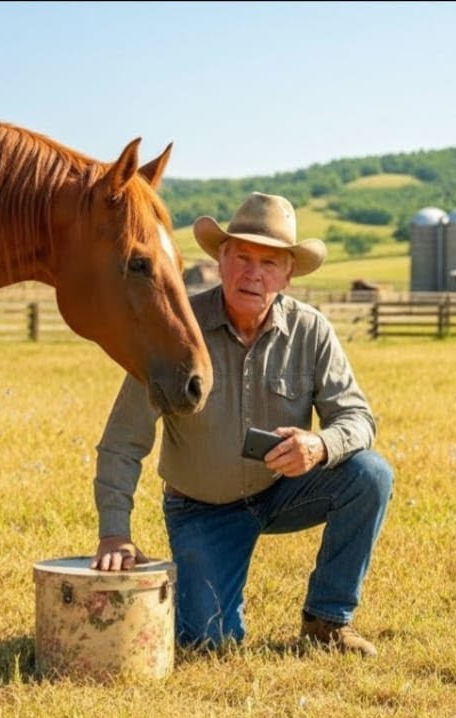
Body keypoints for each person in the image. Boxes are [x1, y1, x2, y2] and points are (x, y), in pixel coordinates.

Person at [90, 192, 393, 657]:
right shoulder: (175, 329)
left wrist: (319, 444)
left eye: (269, 263)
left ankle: (327, 621)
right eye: (243, 257)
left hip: (283, 492)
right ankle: (200, 592)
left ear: (288, 274)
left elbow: (357, 418)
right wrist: (115, 533)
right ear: (221, 260)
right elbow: (121, 444)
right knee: (208, 642)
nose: (254, 273)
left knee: (370, 474)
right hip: (201, 509)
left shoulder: (311, 330)